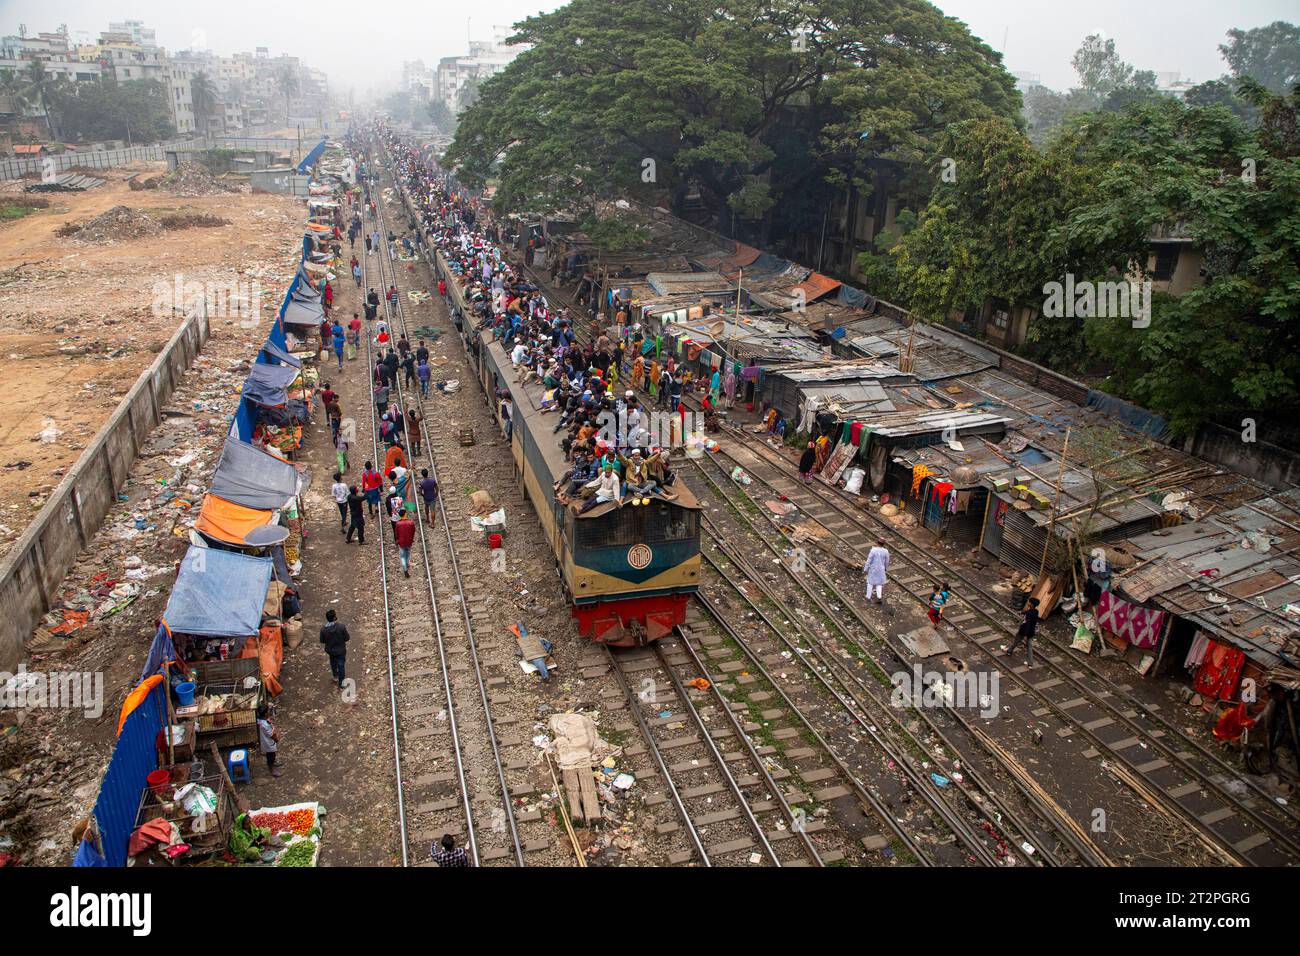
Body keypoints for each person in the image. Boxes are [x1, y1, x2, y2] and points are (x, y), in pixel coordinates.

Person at [319, 608, 351, 688]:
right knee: (341, 666)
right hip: (340, 650)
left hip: (331, 651)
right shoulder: (341, 627)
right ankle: (341, 683)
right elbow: (347, 638)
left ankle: (335, 676)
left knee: (333, 663)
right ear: (334, 618)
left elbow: (322, 641)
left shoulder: (323, 630)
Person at [1006, 598, 1040, 666]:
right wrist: (1022, 612)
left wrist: (1025, 634)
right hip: (1031, 632)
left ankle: (1009, 651)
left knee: (1016, 641)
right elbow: (1028, 612)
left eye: (1029, 602)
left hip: (1023, 631)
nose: (1028, 603)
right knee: (1029, 647)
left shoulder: (1029, 614)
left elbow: (1028, 624)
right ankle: (1030, 663)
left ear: (1031, 604)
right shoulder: (1036, 612)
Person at [256, 704, 281, 778]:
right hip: (269, 742)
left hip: (264, 741)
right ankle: (272, 769)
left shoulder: (259, 720)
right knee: (271, 755)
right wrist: (276, 739)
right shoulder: (265, 725)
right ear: (266, 713)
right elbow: (271, 735)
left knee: (269, 754)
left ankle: (272, 764)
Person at [862, 539, 890, 605]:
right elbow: (887, 561)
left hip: (873, 569)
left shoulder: (873, 550)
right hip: (881, 570)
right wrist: (885, 568)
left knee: (870, 582)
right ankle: (879, 597)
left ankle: (868, 597)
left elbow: (869, 560)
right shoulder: (886, 551)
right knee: (879, 583)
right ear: (883, 544)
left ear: (877, 543)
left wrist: (865, 569)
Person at [394, 510, 416, 577]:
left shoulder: (398, 524)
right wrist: (411, 539)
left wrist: (397, 540)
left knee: (402, 556)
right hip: (409, 541)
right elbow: (413, 532)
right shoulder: (411, 523)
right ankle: (407, 564)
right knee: (408, 554)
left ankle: (405, 569)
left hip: (401, 542)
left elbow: (396, 534)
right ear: (405, 514)